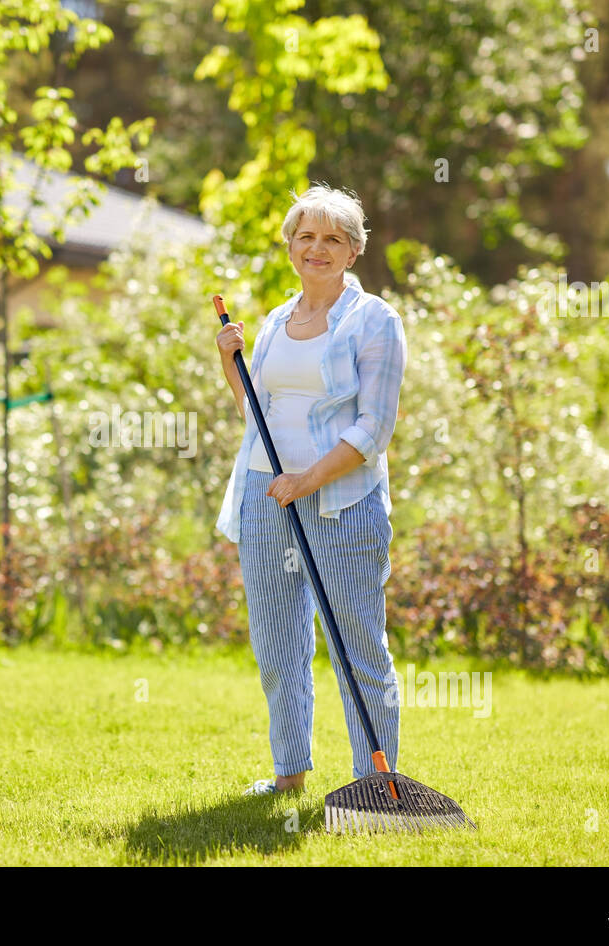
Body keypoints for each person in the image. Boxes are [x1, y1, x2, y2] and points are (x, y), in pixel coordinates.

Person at [214, 183, 408, 796]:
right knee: (277, 649)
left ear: (353, 250)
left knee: (358, 650)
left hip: (343, 505)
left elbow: (373, 427)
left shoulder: (375, 320)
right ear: (290, 248)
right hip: (265, 499)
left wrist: (308, 480)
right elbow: (258, 412)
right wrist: (230, 361)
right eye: (306, 237)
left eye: (332, 238)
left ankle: (373, 784)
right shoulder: (274, 321)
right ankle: (289, 775)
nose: (316, 248)